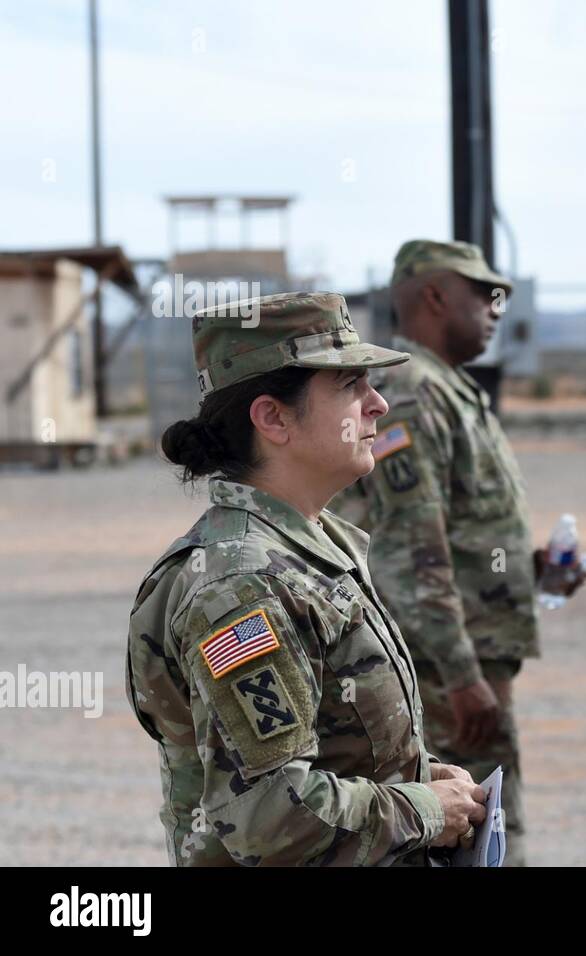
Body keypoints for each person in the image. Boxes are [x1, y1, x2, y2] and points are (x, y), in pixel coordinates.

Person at [127, 291, 486, 866]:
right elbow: (268, 817)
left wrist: (412, 773)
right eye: (349, 386)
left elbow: (326, 739)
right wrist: (422, 809)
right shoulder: (243, 587)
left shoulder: (313, 548)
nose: (378, 405)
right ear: (273, 418)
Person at [336, 241, 567, 866]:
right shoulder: (413, 392)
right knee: (468, 838)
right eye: (485, 295)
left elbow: (462, 530)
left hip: (471, 655)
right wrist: (463, 677)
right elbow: (417, 548)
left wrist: (534, 569)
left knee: (487, 833)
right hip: (444, 666)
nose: (497, 311)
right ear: (435, 296)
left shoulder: (451, 389)